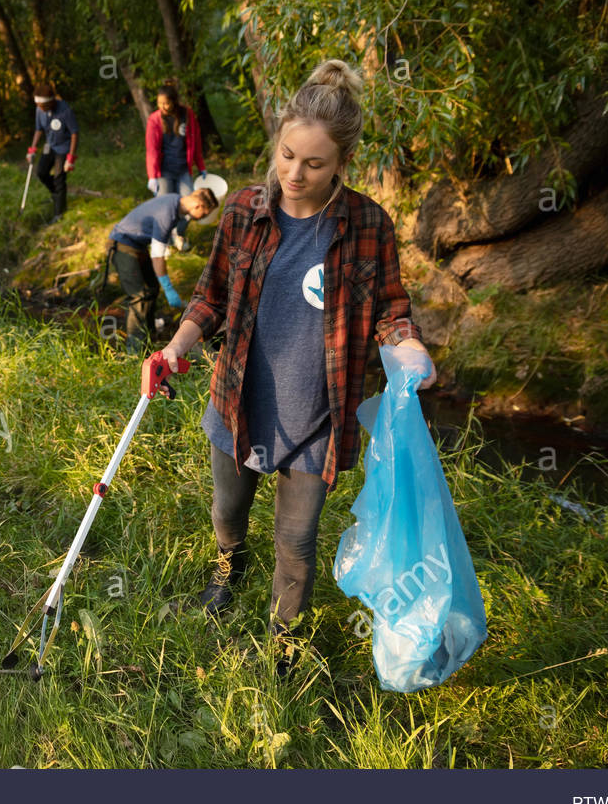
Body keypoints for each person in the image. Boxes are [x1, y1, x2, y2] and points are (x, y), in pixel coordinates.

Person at [148, 59, 436, 657]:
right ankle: (229, 567)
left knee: (297, 541)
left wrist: (407, 345)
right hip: (239, 403)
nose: (294, 174)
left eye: (314, 163)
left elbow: (389, 308)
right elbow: (213, 296)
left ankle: (284, 640)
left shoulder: (366, 225)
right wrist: (176, 347)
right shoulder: (245, 211)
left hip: (317, 418)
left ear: (342, 165)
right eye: (286, 156)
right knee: (227, 511)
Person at [108, 189, 217, 353]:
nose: (200, 218)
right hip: (122, 244)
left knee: (151, 288)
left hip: (136, 245)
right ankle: (135, 352)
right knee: (139, 296)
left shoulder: (174, 201)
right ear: (198, 205)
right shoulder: (167, 212)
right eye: (203, 214)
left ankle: (148, 339)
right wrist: (168, 287)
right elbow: (157, 256)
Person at [26, 83, 78, 221]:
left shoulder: (64, 110)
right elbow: (39, 129)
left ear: (51, 102)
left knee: (59, 178)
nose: (40, 108)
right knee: (41, 172)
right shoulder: (39, 110)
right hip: (50, 145)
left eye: (42, 106)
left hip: (64, 148)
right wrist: (32, 149)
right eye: (38, 105)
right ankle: (56, 195)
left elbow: (74, 133)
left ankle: (59, 214)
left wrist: (70, 158)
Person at [145, 85, 205, 197]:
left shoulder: (187, 115)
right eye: (159, 103)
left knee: (189, 204)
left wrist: (201, 167)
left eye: (166, 103)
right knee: (163, 205)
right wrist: (152, 176)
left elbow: (195, 142)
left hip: (183, 170)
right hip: (164, 171)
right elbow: (152, 150)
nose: (162, 106)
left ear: (174, 101)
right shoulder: (154, 120)